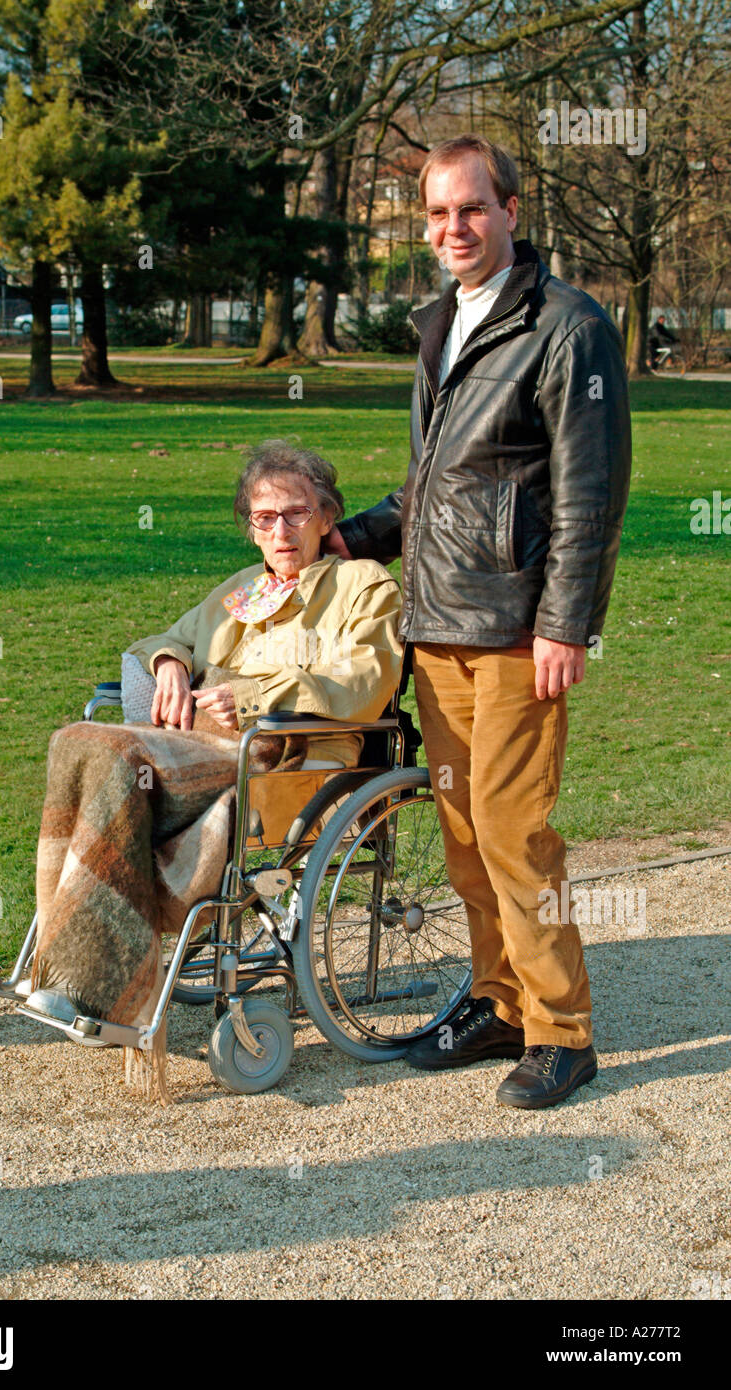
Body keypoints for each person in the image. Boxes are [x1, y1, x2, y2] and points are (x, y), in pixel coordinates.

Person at [325, 134, 631, 1109]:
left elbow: (589, 491)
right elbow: (432, 479)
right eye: (435, 213)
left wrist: (564, 624)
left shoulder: (566, 327)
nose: (451, 228)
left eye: (470, 209)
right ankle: (497, 1000)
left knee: (510, 827)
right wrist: (361, 534)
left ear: (509, 210)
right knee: (461, 831)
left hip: (512, 625)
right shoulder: (440, 323)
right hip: (435, 621)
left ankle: (561, 1029)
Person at [24, 440, 403, 1100]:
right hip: (205, 751)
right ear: (249, 524)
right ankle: (69, 971)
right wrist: (170, 661)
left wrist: (255, 695)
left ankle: (96, 985)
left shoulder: (361, 585)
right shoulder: (243, 590)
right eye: (264, 517)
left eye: (295, 513)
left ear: (325, 516)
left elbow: (365, 682)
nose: (280, 531)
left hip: (292, 758)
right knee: (74, 743)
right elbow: (159, 641)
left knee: (116, 754)